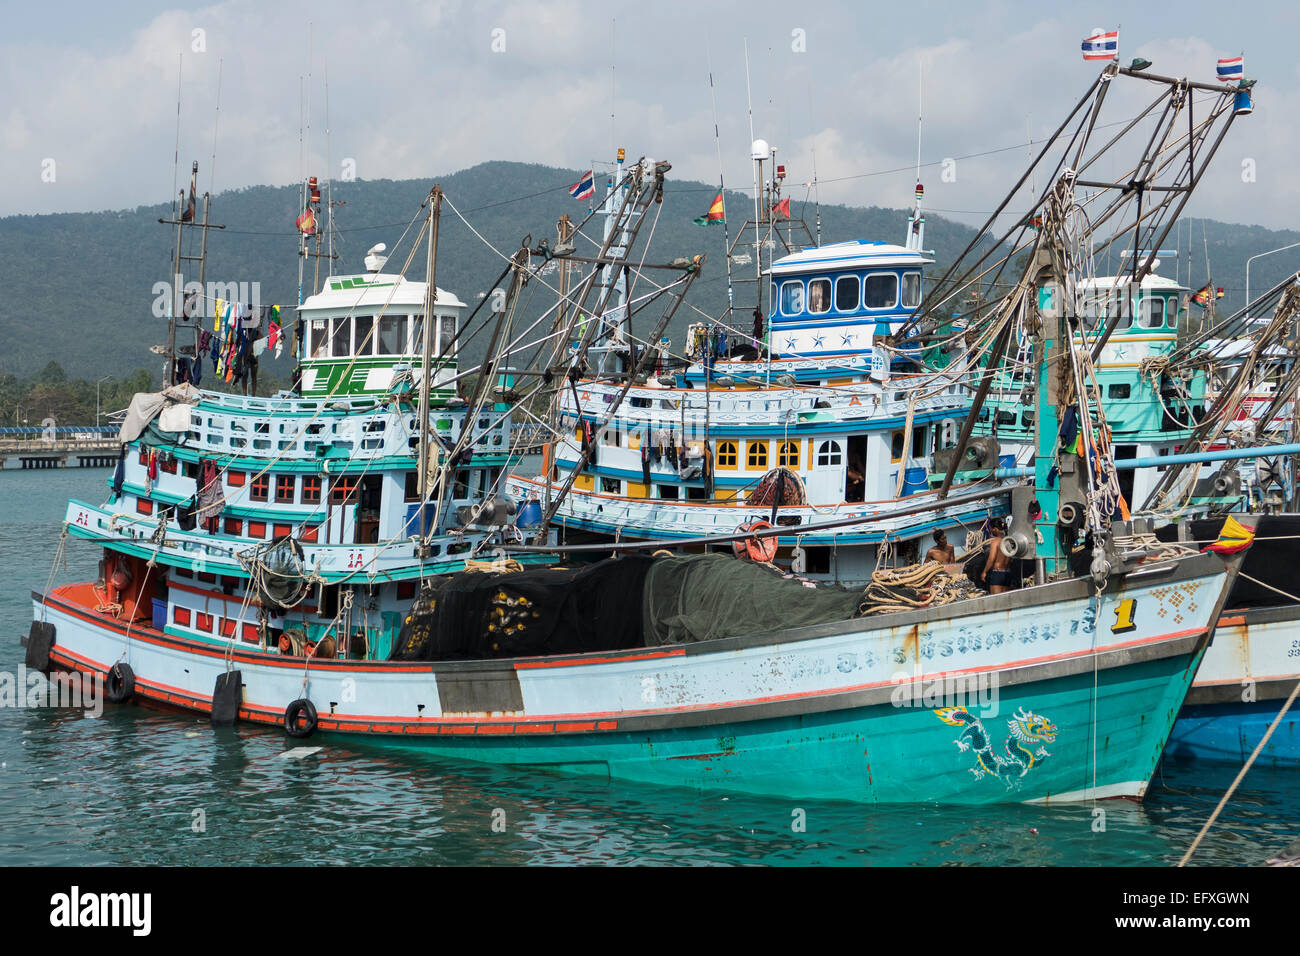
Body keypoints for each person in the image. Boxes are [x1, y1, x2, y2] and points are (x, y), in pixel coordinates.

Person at [982, 518, 1014, 593]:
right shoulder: (1008, 540)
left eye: (991, 529)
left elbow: (991, 558)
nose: (991, 532)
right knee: (1006, 599)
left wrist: (984, 572)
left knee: (996, 600)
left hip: (997, 573)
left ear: (995, 529)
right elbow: (1012, 559)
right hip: (1007, 573)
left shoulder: (995, 541)